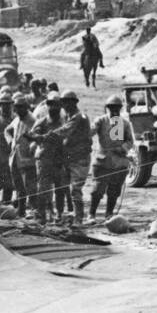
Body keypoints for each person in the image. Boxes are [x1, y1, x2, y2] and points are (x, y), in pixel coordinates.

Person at [88, 94, 135, 219]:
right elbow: (90, 131)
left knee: (114, 191)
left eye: (117, 108)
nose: (114, 110)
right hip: (102, 162)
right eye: (111, 108)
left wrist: (122, 148)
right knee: (97, 190)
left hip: (119, 163)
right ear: (107, 108)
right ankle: (91, 214)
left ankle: (109, 214)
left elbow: (130, 141)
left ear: (120, 109)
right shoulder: (101, 120)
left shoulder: (124, 123)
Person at [29, 92, 66, 222]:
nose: (53, 108)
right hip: (45, 160)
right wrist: (40, 138)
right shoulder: (42, 122)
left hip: (59, 160)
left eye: (56, 105)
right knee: (43, 189)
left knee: (60, 189)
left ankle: (59, 214)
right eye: (50, 104)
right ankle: (41, 215)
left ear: (60, 106)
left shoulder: (64, 122)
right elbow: (31, 136)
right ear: (47, 106)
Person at [59, 91, 92, 226]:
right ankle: (71, 215)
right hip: (69, 158)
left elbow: (64, 131)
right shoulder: (68, 116)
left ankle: (79, 218)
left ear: (75, 102)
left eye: (68, 102)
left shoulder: (79, 117)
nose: (65, 105)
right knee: (64, 187)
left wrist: (45, 137)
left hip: (80, 159)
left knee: (75, 189)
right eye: (64, 102)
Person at [6, 93, 39, 215]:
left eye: (21, 107)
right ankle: (21, 211)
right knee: (19, 187)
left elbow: (37, 137)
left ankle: (35, 212)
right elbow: (7, 130)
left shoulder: (32, 120)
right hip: (15, 158)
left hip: (28, 159)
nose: (18, 109)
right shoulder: (16, 119)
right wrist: (10, 141)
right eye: (16, 107)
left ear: (26, 107)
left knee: (30, 187)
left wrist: (31, 144)